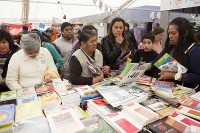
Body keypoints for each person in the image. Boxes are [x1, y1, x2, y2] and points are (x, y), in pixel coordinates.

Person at [156, 17, 200, 91]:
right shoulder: (171, 47)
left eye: (173, 33)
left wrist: (173, 75)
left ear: (185, 32)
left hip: (186, 92)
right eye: (169, 33)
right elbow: (157, 60)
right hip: (169, 89)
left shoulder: (195, 50)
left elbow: (197, 76)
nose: (170, 36)